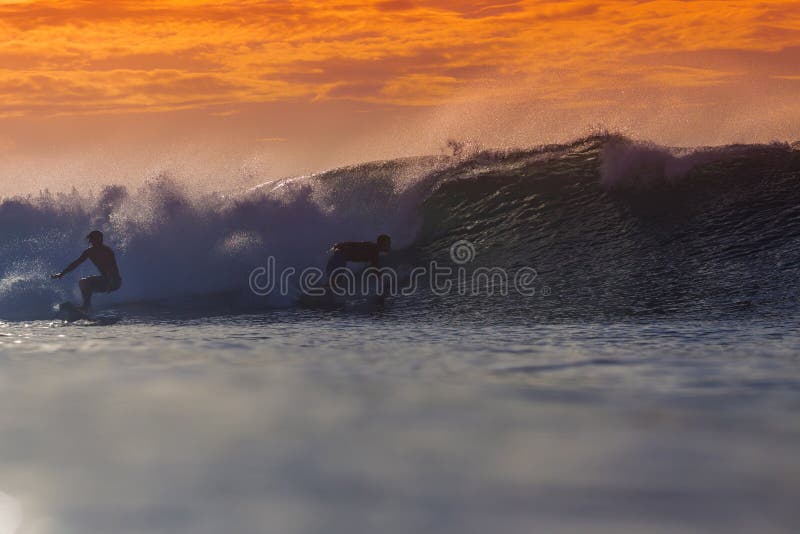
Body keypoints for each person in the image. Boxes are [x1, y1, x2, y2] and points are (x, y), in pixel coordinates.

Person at [52, 230, 122, 311]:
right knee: (84, 283)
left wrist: (110, 282)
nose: (93, 242)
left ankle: (87, 306)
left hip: (114, 281)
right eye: (92, 240)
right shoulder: (89, 252)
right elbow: (76, 263)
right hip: (106, 280)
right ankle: (88, 306)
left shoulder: (107, 251)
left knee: (85, 283)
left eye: (98, 239)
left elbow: (112, 268)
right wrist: (62, 273)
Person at [326, 234, 391, 276]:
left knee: (335, 278)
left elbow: (354, 244)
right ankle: (326, 291)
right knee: (337, 278)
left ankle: (326, 291)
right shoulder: (374, 251)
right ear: (381, 243)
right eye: (387, 244)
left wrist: (337, 246)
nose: (389, 246)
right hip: (340, 255)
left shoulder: (371, 246)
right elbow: (376, 269)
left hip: (338, 252)